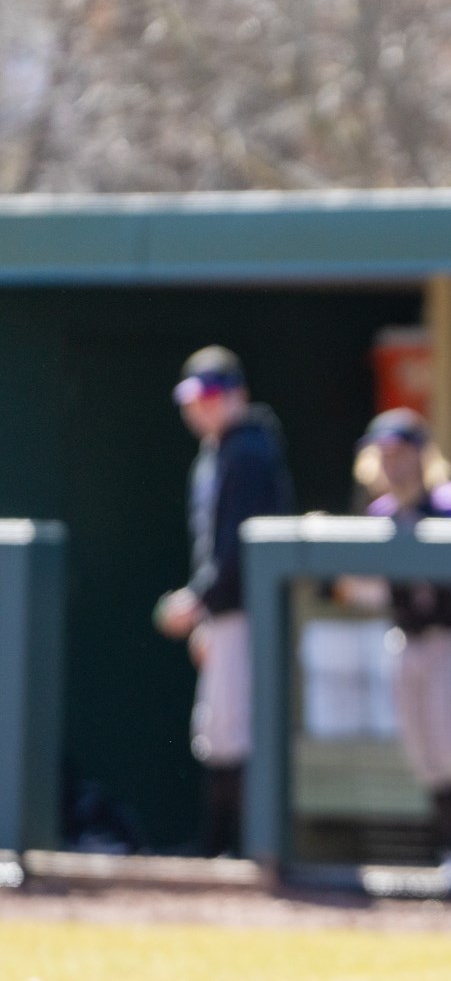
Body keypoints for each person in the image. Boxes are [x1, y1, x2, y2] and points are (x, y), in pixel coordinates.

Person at [340, 409, 451, 872]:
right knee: (427, 757)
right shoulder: (381, 514)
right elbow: (362, 587)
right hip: (408, 641)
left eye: (402, 454)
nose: (393, 464)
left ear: (422, 456)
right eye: (384, 455)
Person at [153, 346, 293, 856]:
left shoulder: (247, 451)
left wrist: (199, 601)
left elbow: (238, 547)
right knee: (220, 730)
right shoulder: (219, 452)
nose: (200, 409)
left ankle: (232, 852)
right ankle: (224, 850)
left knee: (232, 733)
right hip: (228, 611)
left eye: (211, 397)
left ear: (237, 396)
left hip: (247, 611)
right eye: (194, 399)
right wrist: (207, 611)